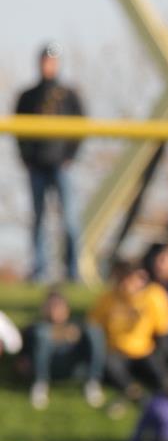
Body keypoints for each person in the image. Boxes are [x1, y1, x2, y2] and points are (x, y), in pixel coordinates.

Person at [15, 43, 87, 282]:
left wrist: (70, 157)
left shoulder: (68, 95)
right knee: (39, 220)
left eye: (52, 61)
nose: (48, 65)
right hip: (37, 165)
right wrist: (26, 158)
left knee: (70, 220)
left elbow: (81, 127)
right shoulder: (28, 96)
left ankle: (73, 271)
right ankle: (39, 270)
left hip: (61, 165)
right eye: (45, 60)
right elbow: (19, 131)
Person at [89, 259, 168, 403]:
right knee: (111, 368)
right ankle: (135, 394)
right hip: (117, 352)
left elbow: (163, 331)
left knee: (163, 378)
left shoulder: (153, 295)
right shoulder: (108, 298)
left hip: (145, 350)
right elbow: (93, 325)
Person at [26, 287, 106, 409]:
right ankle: (41, 384)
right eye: (51, 306)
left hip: (74, 367)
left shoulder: (78, 324)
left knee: (95, 332)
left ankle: (93, 382)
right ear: (44, 309)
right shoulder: (36, 327)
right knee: (43, 334)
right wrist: (62, 334)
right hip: (50, 367)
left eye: (59, 306)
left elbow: (88, 337)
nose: (55, 310)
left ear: (67, 309)